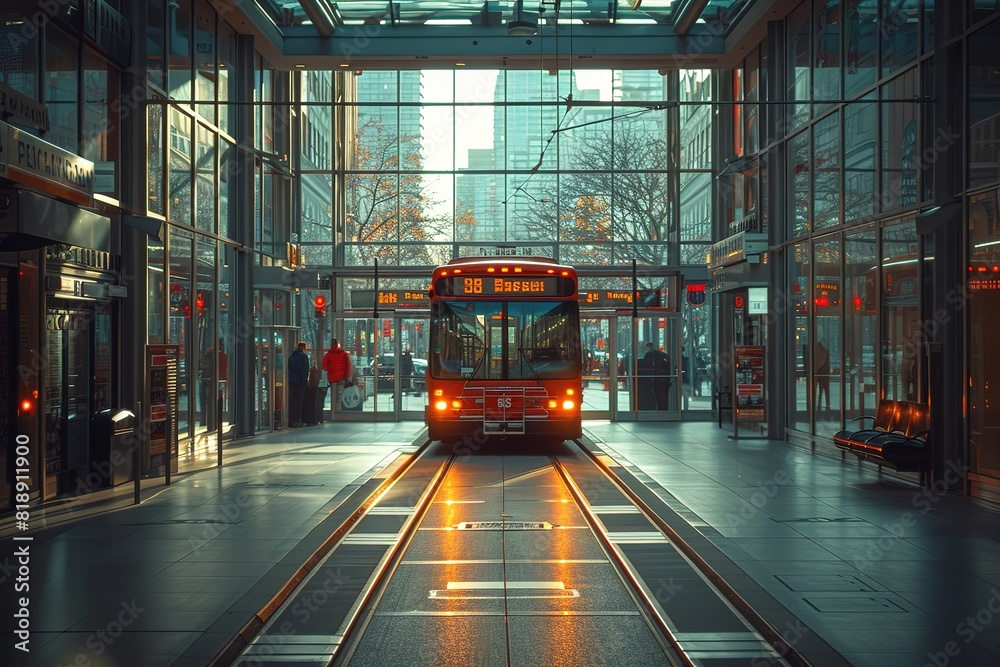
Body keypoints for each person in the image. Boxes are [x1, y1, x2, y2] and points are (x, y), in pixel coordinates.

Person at [322, 339, 352, 417]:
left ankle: (333, 413)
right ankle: (338, 411)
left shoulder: (328, 355)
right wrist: (346, 376)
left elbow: (324, 366)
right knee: (339, 395)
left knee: (333, 395)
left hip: (332, 377)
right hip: (341, 377)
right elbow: (348, 366)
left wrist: (330, 369)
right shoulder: (344, 354)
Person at [644, 342, 672, 410]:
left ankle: (659, 410)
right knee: (663, 398)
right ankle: (663, 410)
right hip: (664, 380)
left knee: (657, 398)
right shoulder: (664, 355)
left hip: (656, 380)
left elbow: (646, 365)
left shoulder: (650, 354)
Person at [287, 341, 310, 427]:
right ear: (303, 347)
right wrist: (304, 381)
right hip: (300, 382)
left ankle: (290, 420)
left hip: (291, 381)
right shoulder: (304, 357)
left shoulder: (291, 356)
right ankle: (297, 419)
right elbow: (305, 370)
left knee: (292, 401)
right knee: (299, 401)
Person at [814, 339, 831, 411]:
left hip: (819, 373)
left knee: (819, 391)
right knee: (825, 390)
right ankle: (827, 405)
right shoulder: (825, 351)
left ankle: (817, 404)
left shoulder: (818, 351)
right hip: (825, 374)